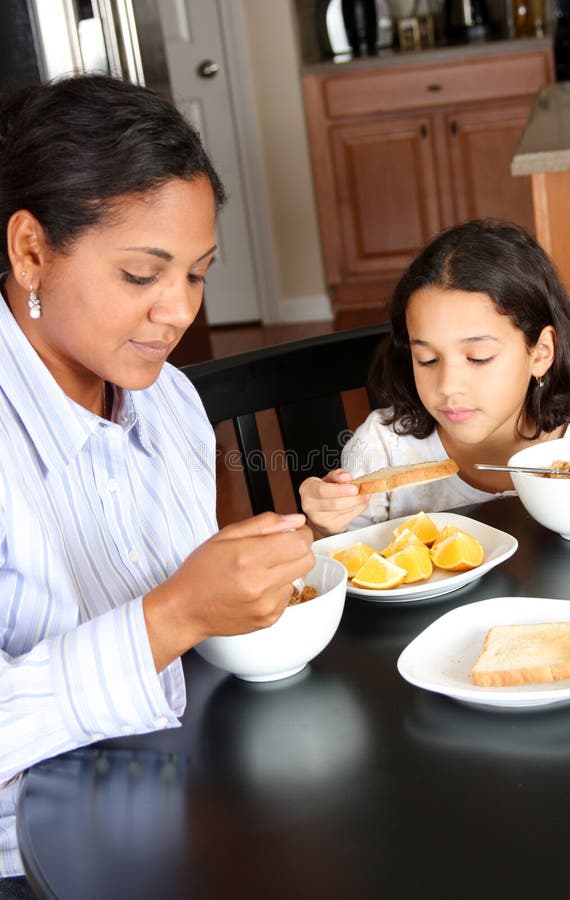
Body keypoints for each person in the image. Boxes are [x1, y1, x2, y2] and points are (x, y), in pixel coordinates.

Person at [0, 74, 314, 894]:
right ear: (31, 249)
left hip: (190, 795)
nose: (178, 312)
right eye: (142, 275)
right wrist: (172, 615)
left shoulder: (167, 399)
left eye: (198, 274)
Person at [300, 219, 570, 537]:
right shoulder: (383, 448)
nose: (447, 386)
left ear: (540, 353)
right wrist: (322, 527)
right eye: (427, 360)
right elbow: (341, 564)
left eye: (478, 358)